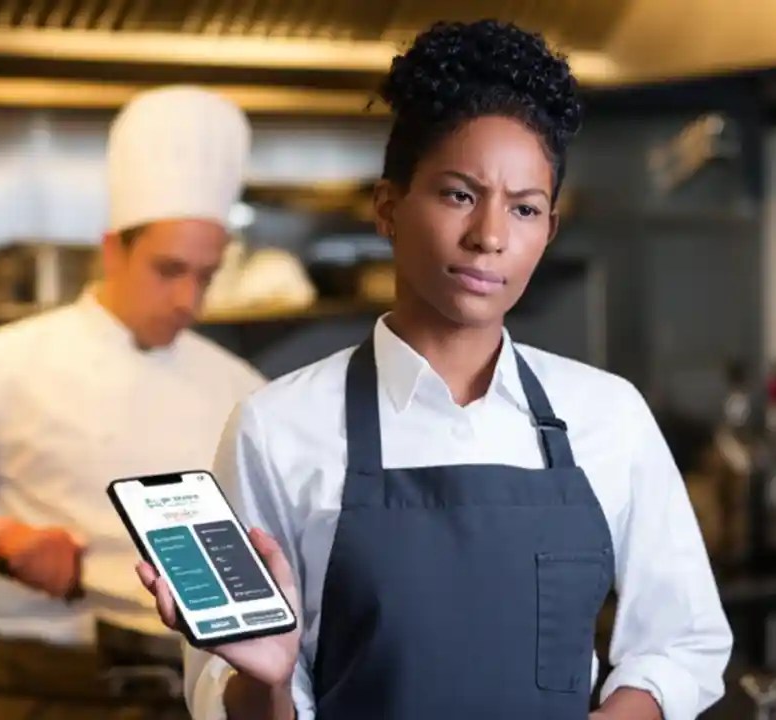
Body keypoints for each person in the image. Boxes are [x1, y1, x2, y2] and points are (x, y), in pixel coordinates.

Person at [136, 20, 732, 720]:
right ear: (388, 208)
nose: (490, 236)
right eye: (458, 194)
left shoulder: (608, 415)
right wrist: (269, 677)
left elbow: (683, 639)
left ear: (549, 231)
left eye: (525, 208)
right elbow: (226, 698)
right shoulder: (278, 427)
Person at [0, 85, 265, 720]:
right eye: (169, 270)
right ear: (113, 249)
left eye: (206, 275)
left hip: (192, 691)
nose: (188, 301)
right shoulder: (1, 360)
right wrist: (5, 537)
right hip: (48, 688)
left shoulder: (239, 386)